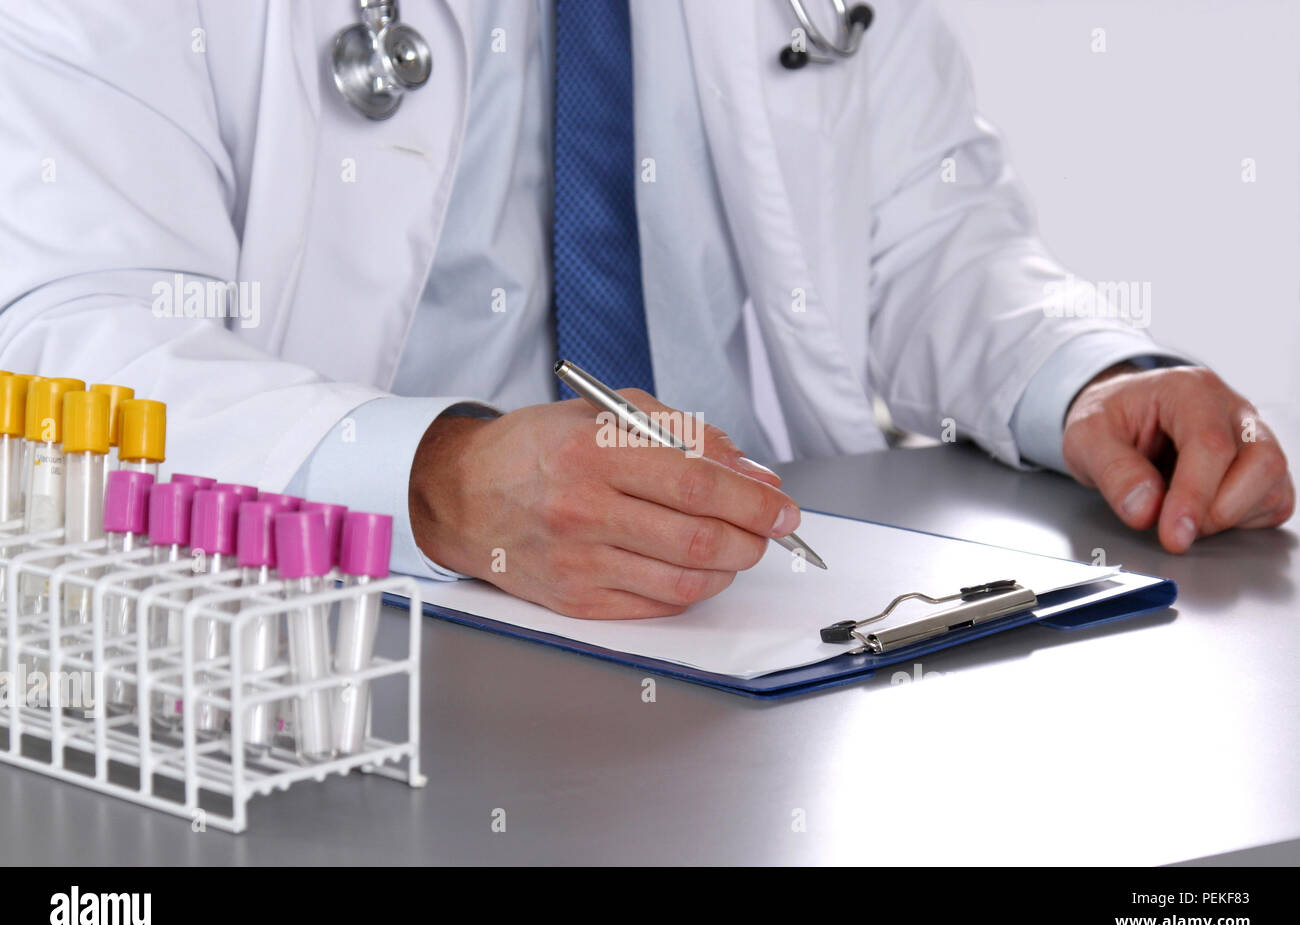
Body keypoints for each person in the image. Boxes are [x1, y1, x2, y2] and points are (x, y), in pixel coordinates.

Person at [0, 0, 1291, 620]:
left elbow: (917, 220)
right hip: (331, 647)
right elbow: (65, 330)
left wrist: (1085, 371)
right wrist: (430, 480)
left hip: (766, 631)